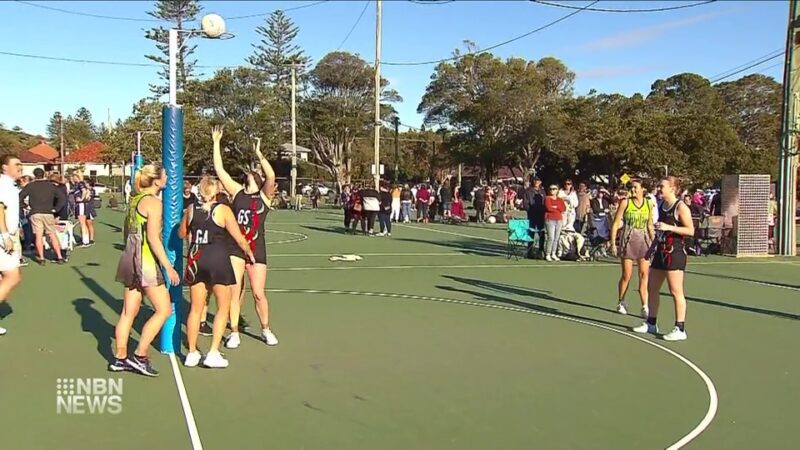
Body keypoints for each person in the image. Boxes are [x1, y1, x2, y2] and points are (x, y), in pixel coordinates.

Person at [212, 127, 278, 349]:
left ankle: (266, 329)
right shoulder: (238, 192)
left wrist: (260, 154)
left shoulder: (264, 198)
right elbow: (219, 170)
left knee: (259, 294)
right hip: (236, 249)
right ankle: (234, 331)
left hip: (257, 249)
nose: (254, 171)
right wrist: (216, 142)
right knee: (234, 290)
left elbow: (272, 176)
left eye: (256, 171)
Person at [112, 163, 180, 376]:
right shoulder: (153, 203)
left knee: (127, 312)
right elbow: (152, 238)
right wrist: (169, 267)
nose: (168, 179)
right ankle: (140, 355)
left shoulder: (134, 200)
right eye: (165, 176)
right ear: (157, 180)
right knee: (164, 309)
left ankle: (120, 357)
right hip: (146, 261)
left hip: (130, 259)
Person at [181, 176, 255, 368]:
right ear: (215, 192)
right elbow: (238, 238)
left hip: (196, 259)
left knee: (196, 309)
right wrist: (249, 253)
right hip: (217, 259)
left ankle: (191, 352)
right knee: (223, 307)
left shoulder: (190, 210)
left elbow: (181, 233)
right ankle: (213, 352)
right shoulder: (223, 210)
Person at [634, 176, 694, 342]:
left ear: (672, 189)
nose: (659, 189)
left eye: (662, 187)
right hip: (660, 250)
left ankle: (680, 327)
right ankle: (651, 322)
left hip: (675, 252)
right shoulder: (660, 205)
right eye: (659, 186)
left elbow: (691, 230)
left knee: (676, 291)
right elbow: (660, 231)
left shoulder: (680, 207)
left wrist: (669, 227)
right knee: (652, 287)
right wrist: (651, 248)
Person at [610, 178, 655, 318]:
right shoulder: (625, 203)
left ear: (643, 189)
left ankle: (644, 306)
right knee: (626, 275)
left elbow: (650, 225)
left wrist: (654, 243)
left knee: (644, 274)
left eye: (636, 187)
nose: (633, 190)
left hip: (643, 241)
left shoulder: (649, 204)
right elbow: (616, 223)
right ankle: (621, 301)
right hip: (628, 240)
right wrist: (613, 243)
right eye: (632, 187)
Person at [18, 168, 67, 265]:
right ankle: (59, 256)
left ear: (34, 175)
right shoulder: (51, 186)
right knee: (52, 235)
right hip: (48, 212)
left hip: (35, 212)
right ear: (44, 174)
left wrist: (25, 206)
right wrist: (56, 209)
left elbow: (20, 197)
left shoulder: (30, 186)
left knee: (39, 236)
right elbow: (62, 197)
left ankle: (41, 258)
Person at [0, 155, 24, 336]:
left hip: (9, 234)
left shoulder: (10, 186)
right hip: (3, 237)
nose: (20, 167)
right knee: (13, 276)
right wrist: (6, 235)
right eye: (16, 165)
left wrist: (17, 229)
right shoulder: (3, 185)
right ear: (4, 168)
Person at [71, 171, 95, 247]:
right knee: (82, 223)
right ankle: (85, 239)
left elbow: (85, 191)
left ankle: (85, 241)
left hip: (81, 204)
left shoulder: (80, 183)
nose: (73, 178)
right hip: (79, 205)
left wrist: (81, 199)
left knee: (82, 223)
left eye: (74, 176)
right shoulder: (77, 184)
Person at [544, 184, 566, 261]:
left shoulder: (560, 199)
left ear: (557, 190)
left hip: (559, 220)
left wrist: (556, 207)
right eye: (551, 189)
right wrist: (556, 208)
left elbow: (563, 208)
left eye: (554, 189)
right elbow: (549, 208)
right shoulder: (547, 198)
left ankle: (553, 253)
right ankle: (548, 254)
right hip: (550, 220)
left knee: (556, 238)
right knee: (551, 237)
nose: (552, 190)